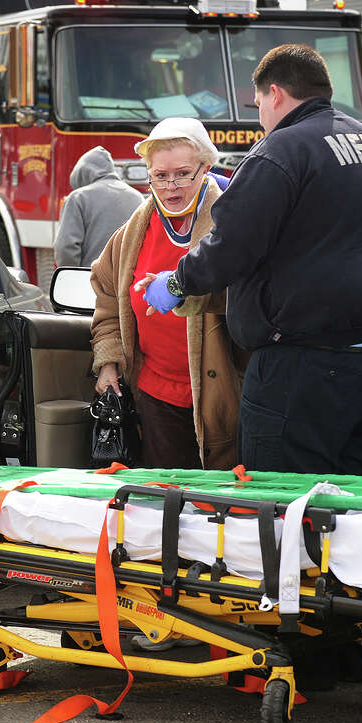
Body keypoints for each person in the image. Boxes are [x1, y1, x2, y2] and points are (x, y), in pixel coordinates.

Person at [142, 44, 362, 477]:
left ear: (275, 94)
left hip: (307, 364)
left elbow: (232, 244)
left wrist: (177, 283)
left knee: (281, 500)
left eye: (257, 104)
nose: (260, 118)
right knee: (358, 499)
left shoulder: (282, 150)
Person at [89, 118, 245, 471]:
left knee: (219, 506)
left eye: (183, 174)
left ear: (205, 168)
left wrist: (182, 291)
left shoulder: (232, 223)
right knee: (165, 503)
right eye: (160, 176)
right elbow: (108, 298)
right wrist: (109, 361)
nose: (171, 186)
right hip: (155, 396)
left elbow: (254, 296)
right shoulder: (131, 232)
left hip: (222, 398)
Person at [54, 146, 141, 267]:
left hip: (88, 280)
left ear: (82, 174)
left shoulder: (78, 198)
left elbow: (66, 247)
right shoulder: (137, 197)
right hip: (128, 279)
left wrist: (70, 276)